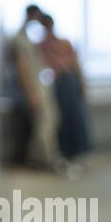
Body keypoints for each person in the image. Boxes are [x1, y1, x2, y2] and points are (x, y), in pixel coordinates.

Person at [12, 4, 61, 168]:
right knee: (45, 122)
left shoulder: (30, 37)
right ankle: (43, 159)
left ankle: (47, 157)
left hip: (39, 85)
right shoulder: (20, 39)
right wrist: (31, 93)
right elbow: (22, 68)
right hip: (33, 88)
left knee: (50, 120)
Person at [37, 12, 91, 160]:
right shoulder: (41, 46)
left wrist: (82, 85)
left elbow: (76, 65)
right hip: (57, 84)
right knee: (62, 119)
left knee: (75, 117)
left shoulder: (64, 42)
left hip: (70, 81)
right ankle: (65, 152)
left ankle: (76, 152)